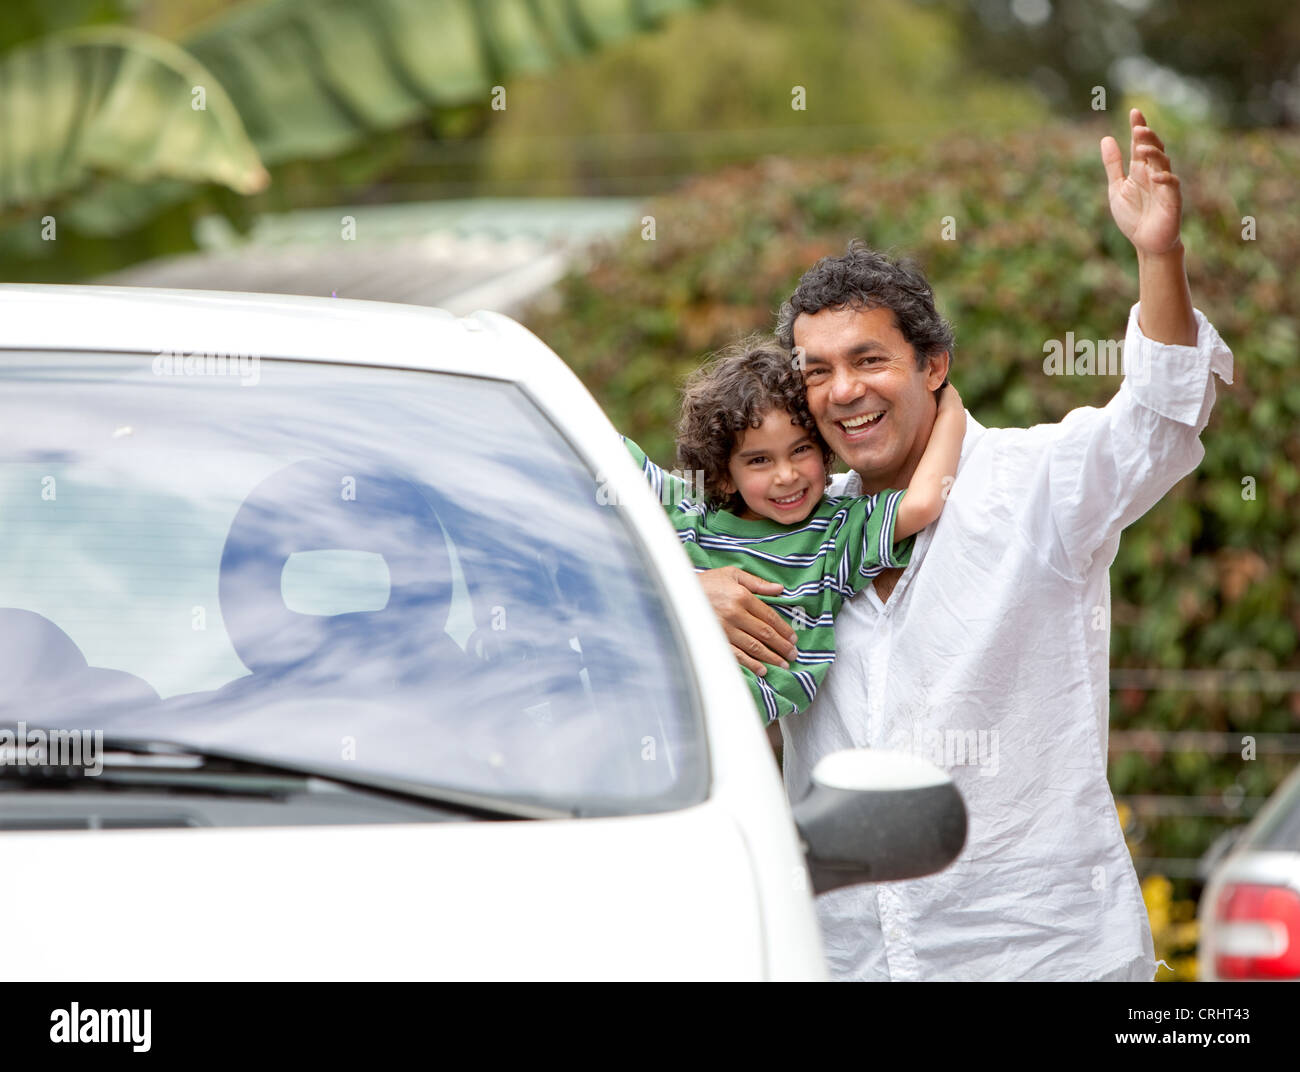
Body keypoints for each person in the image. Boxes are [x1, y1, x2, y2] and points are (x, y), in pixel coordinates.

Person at [696, 109, 1234, 980]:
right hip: (848, 962)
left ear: (933, 365)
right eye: (817, 371)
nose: (843, 392)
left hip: (1042, 958)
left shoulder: (1036, 484)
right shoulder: (781, 533)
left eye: (868, 360)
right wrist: (692, 599)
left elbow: (1162, 420)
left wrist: (1159, 257)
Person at [622, 336, 965, 723]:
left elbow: (922, 503)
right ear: (724, 478)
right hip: (643, 691)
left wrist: (950, 408)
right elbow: (603, 454)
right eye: (759, 460)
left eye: (801, 450)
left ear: (825, 450)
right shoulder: (687, 511)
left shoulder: (835, 533)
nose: (786, 476)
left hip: (724, 722)